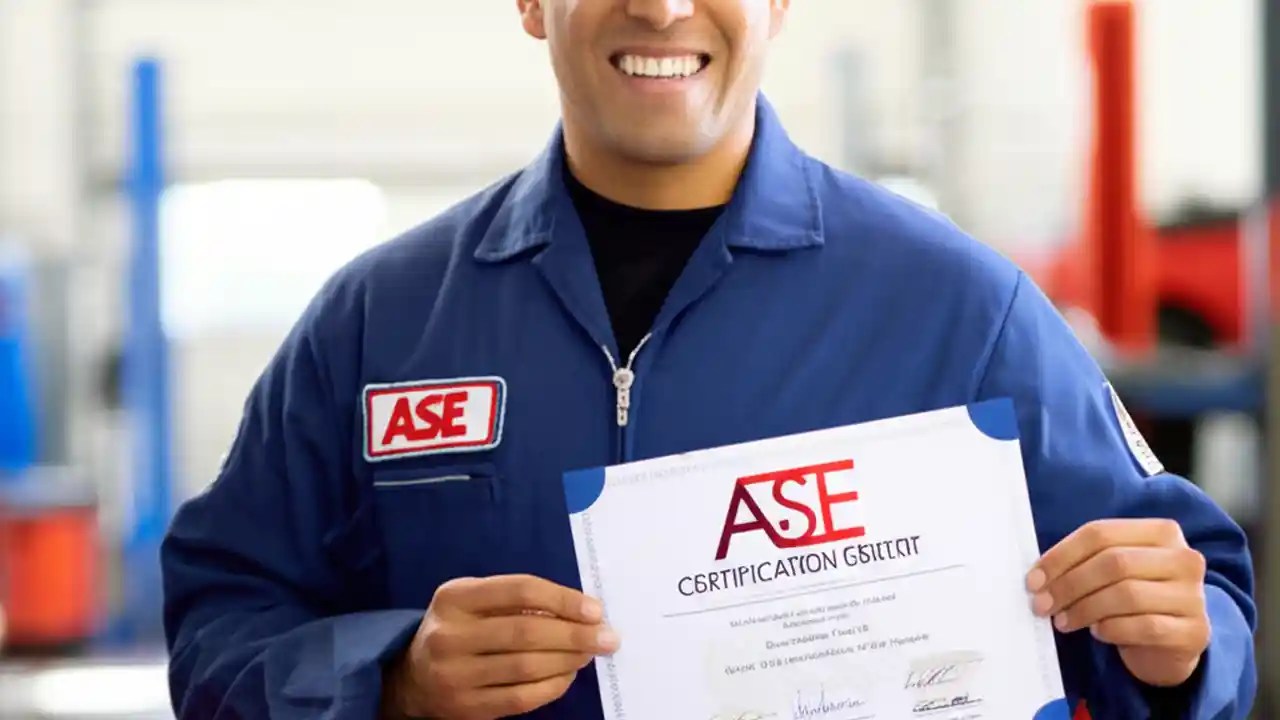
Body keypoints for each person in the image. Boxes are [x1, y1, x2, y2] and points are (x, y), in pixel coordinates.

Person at [160, 1, 1258, 718]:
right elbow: (219, 625)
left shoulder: (955, 308)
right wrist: (388, 679)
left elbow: (1196, 599)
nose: (661, 6)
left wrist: (1176, 648)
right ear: (532, 4)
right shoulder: (382, 324)